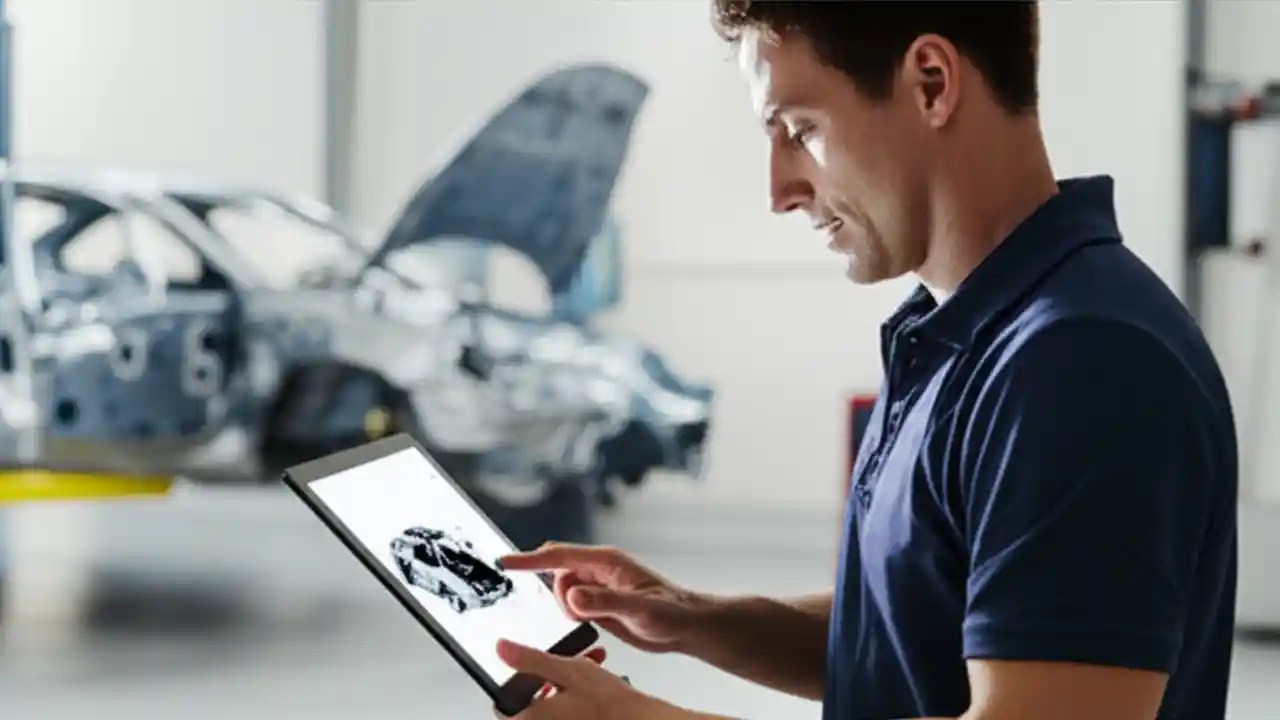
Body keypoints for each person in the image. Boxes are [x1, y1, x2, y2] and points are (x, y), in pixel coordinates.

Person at [494, 2, 1239, 719]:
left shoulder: (1082, 365)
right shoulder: (958, 332)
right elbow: (926, 636)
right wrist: (695, 619)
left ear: (931, 83)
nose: (780, 192)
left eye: (800, 128)